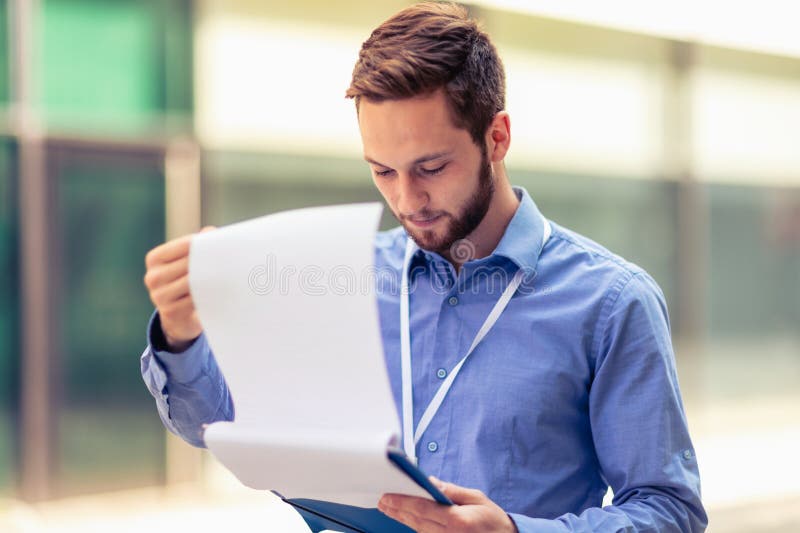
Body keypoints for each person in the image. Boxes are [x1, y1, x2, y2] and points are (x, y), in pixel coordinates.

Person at [141, 3, 707, 531]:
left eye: (431, 167)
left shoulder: (611, 302)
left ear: (498, 137)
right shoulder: (341, 280)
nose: (407, 200)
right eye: (382, 171)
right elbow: (219, 426)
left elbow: (669, 509)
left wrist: (516, 531)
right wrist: (183, 330)